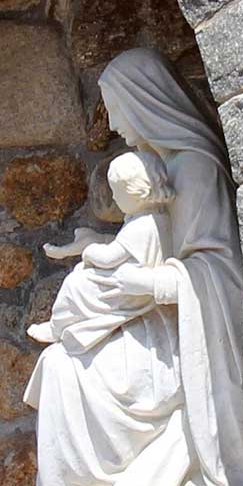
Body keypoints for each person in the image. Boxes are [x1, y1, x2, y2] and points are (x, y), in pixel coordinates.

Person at [0, 48, 243, 486]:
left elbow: (219, 274)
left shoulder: (195, 170)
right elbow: (148, 241)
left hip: (179, 342)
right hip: (148, 323)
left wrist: (147, 285)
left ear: (144, 104)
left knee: (70, 371)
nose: (115, 125)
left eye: (118, 109)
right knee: (62, 366)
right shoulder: (159, 168)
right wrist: (100, 250)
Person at [28, 149, 175, 352]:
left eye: (118, 192)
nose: (113, 197)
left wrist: (89, 251)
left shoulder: (140, 226)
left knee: (76, 283)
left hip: (129, 290)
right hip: (136, 285)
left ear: (137, 193)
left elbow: (109, 258)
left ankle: (57, 327)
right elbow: (128, 250)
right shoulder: (160, 219)